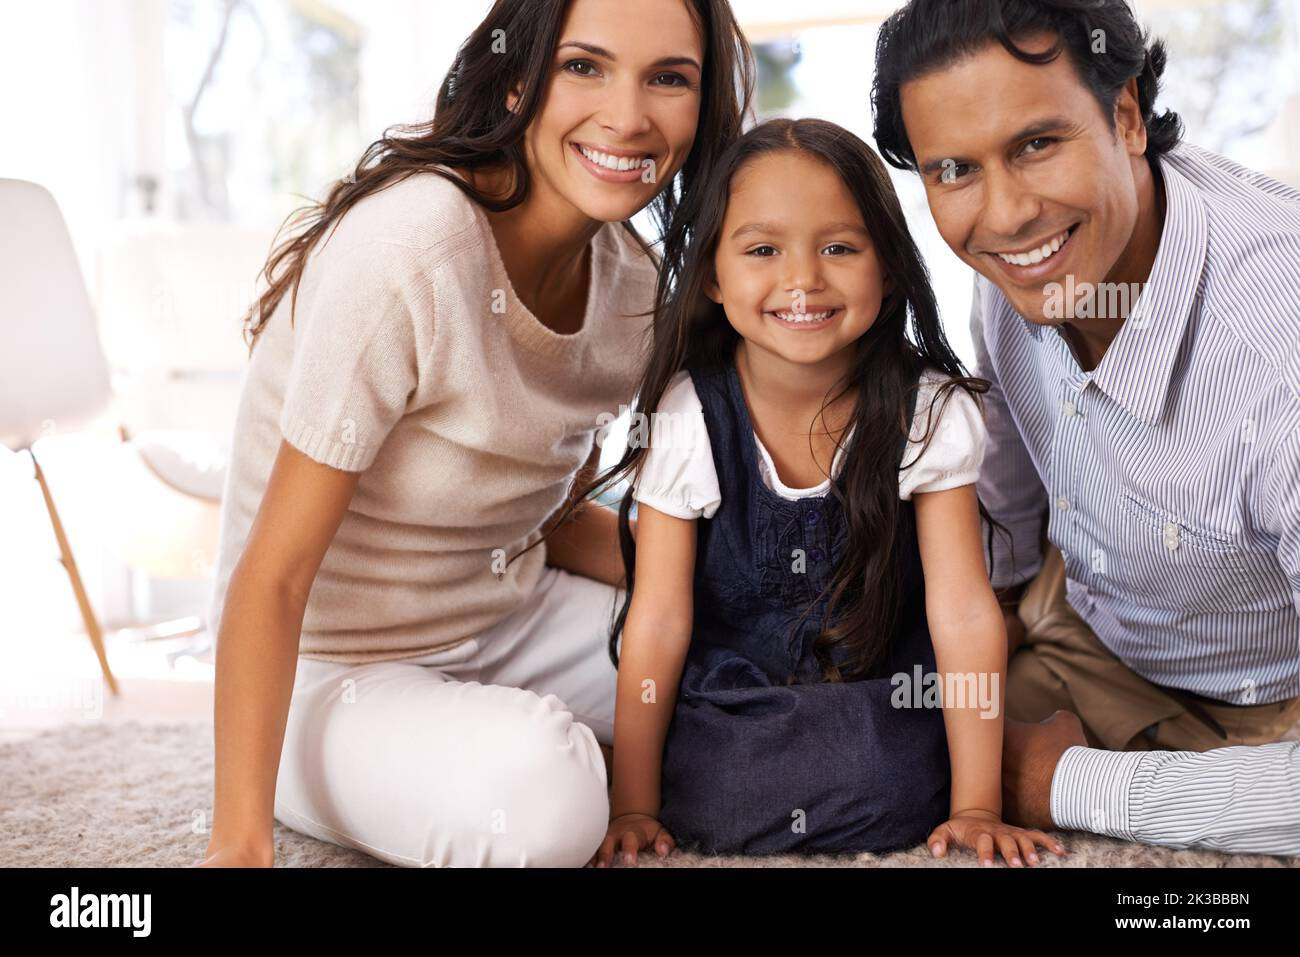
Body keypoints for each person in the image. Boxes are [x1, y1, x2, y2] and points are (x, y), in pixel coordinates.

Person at [199, 0, 756, 868]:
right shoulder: (410, 249)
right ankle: (511, 758)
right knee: (542, 800)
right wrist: (237, 847)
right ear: (519, 77)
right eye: (585, 66)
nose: (628, 115)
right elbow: (270, 577)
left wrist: (738, 583)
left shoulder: (631, 287)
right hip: (330, 665)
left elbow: (534, 511)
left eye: (669, 79)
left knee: (749, 655)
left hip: (511, 618)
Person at [562, 117, 1068, 867]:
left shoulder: (926, 409)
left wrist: (976, 806)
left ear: (889, 267)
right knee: (720, 788)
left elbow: (960, 606)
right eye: (763, 250)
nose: (803, 280)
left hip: (881, 688)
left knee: (887, 769)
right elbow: (660, 618)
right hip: (739, 699)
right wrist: (633, 804)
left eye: (839, 248)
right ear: (712, 274)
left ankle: (1014, 740)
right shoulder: (688, 414)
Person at [872, 0, 1300, 855]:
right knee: (869, 753)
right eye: (954, 168)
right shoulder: (1014, 270)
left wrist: (1061, 782)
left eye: (1037, 143)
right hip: (1090, 631)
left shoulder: (1276, 354)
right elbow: (1007, 514)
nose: (1003, 215)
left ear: (1127, 115)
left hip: (1277, 701)